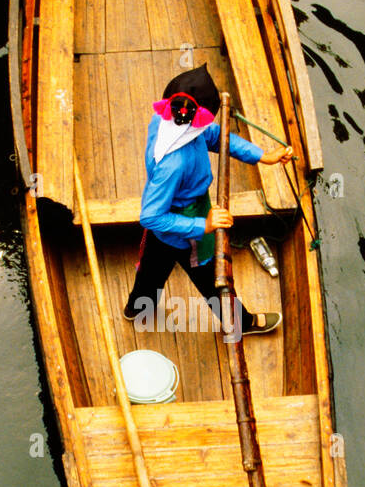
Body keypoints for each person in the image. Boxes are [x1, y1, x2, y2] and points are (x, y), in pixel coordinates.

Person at [124, 83, 293, 336]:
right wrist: (203, 226)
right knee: (213, 280)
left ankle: (136, 308)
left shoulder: (166, 118)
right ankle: (241, 323)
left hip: (162, 234)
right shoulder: (174, 164)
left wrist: (261, 156)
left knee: (151, 269)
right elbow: (150, 216)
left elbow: (215, 136)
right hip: (186, 228)